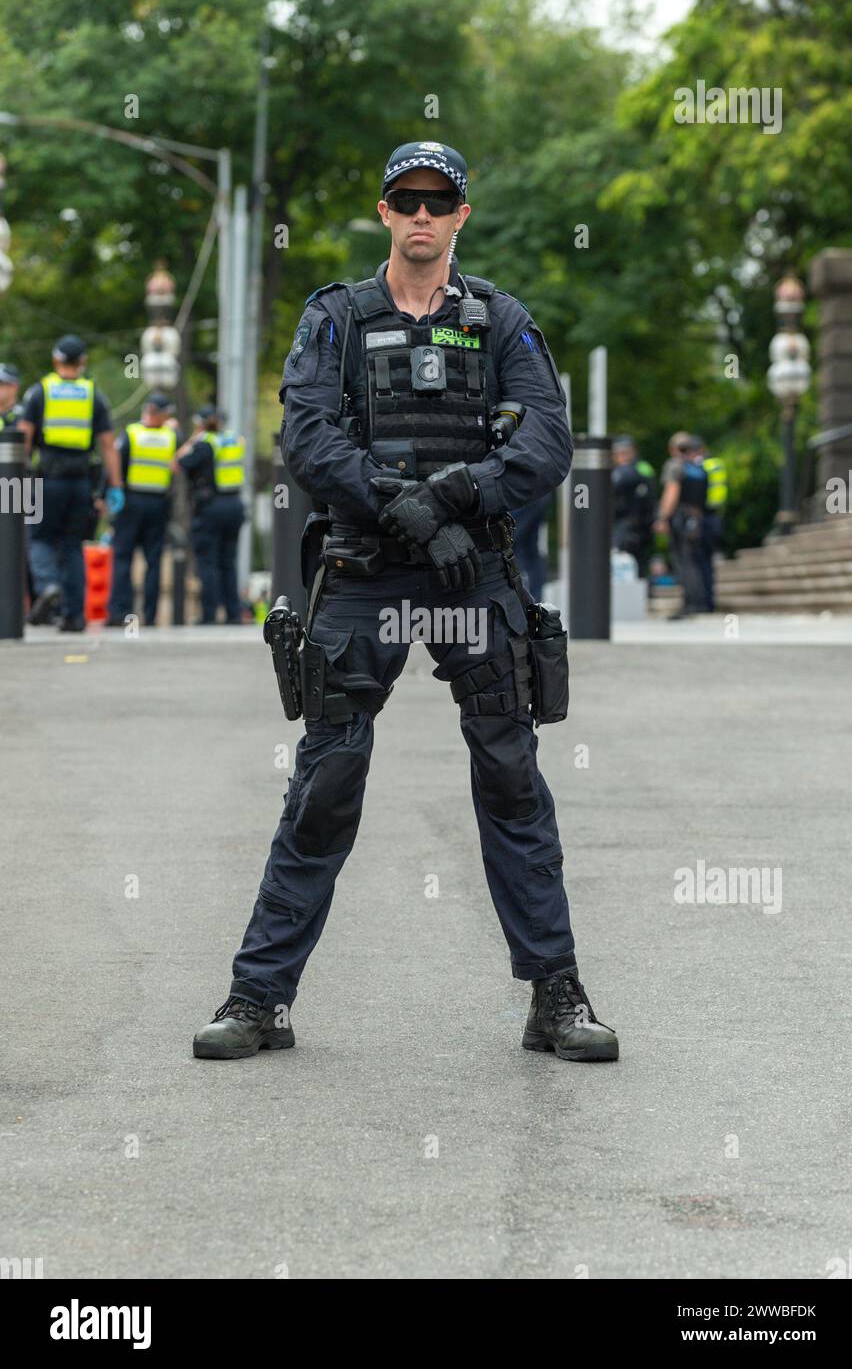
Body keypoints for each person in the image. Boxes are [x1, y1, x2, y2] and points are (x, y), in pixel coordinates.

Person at [193, 139, 619, 1064]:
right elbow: (306, 437)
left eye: (439, 200)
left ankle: (556, 998)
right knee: (327, 780)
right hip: (363, 566)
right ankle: (258, 997)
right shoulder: (337, 316)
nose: (422, 214)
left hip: (474, 567)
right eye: (406, 199)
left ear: (462, 214)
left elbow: (546, 442)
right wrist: (404, 507)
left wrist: (457, 500)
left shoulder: (501, 319)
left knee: (511, 775)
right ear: (383, 211)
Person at [18, 335, 123, 631]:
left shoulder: (40, 392)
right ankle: (74, 615)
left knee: (38, 537)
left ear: (56, 360)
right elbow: (108, 444)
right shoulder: (94, 395)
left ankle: (48, 584)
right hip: (80, 483)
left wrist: (19, 474)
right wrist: (115, 485)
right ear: (83, 363)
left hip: (47, 479)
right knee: (72, 545)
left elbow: (24, 436)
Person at [106, 392, 179, 627]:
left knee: (123, 557)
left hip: (131, 502)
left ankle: (120, 612)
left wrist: (105, 494)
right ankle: (150, 615)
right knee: (153, 561)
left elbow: (115, 464)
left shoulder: (131, 433)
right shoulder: (172, 436)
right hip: (158, 503)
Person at [174, 406, 245, 625]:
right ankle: (234, 614)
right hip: (234, 504)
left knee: (207, 562)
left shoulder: (204, 444)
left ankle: (209, 614)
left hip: (211, 507)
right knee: (228, 561)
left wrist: (193, 439)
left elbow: (178, 463)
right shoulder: (235, 440)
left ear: (201, 424)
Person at [655, 432, 708, 619]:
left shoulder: (674, 466)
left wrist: (662, 517)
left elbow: (672, 492)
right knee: (692, 560)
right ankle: (699, 602)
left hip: (681, 518)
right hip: (697, 518)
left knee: (682, 561)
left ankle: (690, 604)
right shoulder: (698, 467)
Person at [690, 435, 727, 613]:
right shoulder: (717, 464)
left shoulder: (700, 466)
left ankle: (703, 602)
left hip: (702, 517)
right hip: (715, 517)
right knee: (707, 562)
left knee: (701, 561)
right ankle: (709, 600)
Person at [611, 435, 656, 575]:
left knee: (625, 565)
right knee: (640, 565)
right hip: (643, 525)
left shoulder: (626, 470)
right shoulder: (645, 467)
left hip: (628, 525)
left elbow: (611, 487)